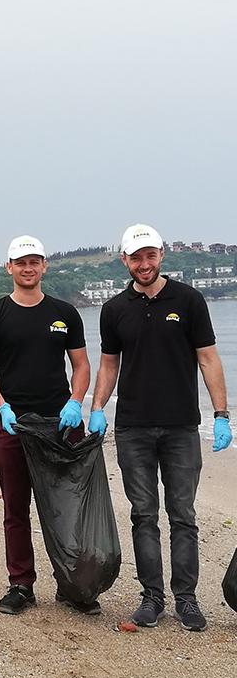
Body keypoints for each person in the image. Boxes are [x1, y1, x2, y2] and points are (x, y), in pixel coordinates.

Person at [89, 224, 232, 632]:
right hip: (132, 426)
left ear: (161, 255)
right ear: (125, 261)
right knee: (143, 515)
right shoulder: (114, 309)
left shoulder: (189, 300)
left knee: (183, 515)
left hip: (182, 427)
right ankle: (151, 597)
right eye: (136, 257)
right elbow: (109, 364)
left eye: (150, 255)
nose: (144, 263)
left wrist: (222, 415)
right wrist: (97, 408)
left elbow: (208, 358)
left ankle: (186, 599)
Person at [0, 235, 92, 616]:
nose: (28, 268)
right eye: (20, 262)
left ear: (44, 266)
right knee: (16, 507)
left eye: (35, 262)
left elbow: (82, 366)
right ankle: (21, 584)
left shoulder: (64, 313)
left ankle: (73, 584)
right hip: (12, 426)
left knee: (65, 506)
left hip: (60, 425)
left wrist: (76, 402)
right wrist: (2, 406)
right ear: (8, 267)